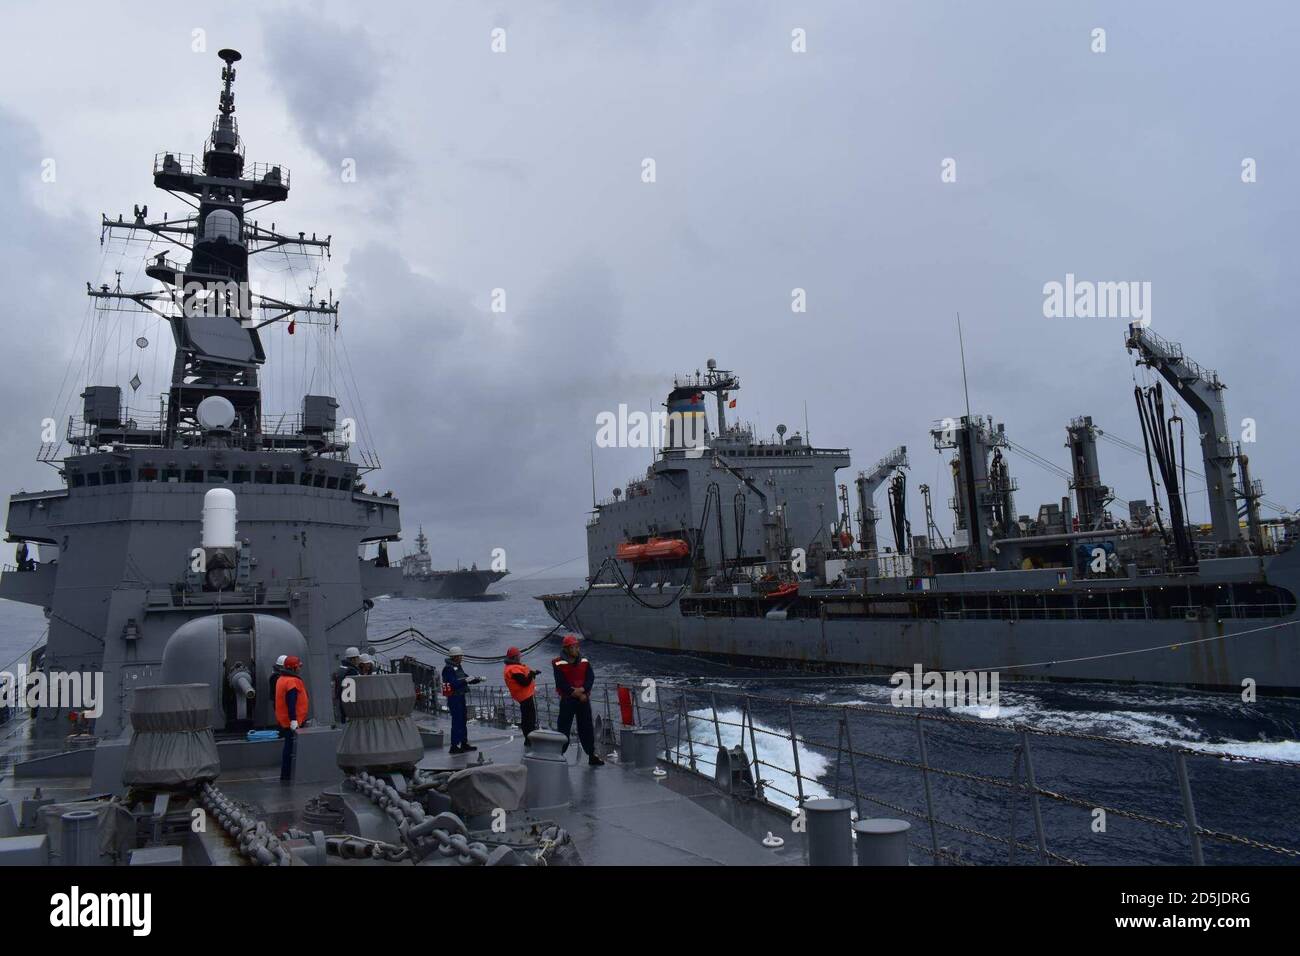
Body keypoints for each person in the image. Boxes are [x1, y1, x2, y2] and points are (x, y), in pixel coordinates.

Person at [553, 635, 604, 766]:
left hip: (583, 699)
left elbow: (590, 678)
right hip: (568, 700)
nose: (576, 649)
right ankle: (559, 755)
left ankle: (592, 755)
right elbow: (561, 683)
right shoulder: (558, 663)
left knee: (586, 728)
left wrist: (583, 690)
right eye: (573, 647)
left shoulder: (585, 662)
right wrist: (576, 692)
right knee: (564, 728)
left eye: (577, 646)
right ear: (567, 649)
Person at [274, 655, 309, 782]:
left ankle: (286, 774)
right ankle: (287, 775)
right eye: (298, 666)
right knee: (290, 747)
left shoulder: (281, 679)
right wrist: (294, 720)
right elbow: (291, 701)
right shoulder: (292, 682)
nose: (300, 669)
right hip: (292, 721)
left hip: (284, 720)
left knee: (288, 746)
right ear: (294, 668)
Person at [442, 647, 482, 754]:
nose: (461, 658)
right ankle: (454, 746)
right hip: (454, 698)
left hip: (460, 696)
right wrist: (465, 680)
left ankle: (464, 743)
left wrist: (476, 679)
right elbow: (453, 684)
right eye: (460, 656)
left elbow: (464, 677)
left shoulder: (457, 667)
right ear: (454, 657)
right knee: (457, 721)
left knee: (463, 720)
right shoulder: (448, 669)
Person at [502, 647, 541, 746]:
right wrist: (531, 675)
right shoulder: (513, 669)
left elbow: (524, 676)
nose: (520, 657)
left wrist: (532, 673)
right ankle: (529, 739)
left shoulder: (512, 667)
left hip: (523, 696)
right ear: (515, 657)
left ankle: (529, 738)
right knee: (529, 718)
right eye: (519, 655)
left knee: (528, 717)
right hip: (524, 696)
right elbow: (524, 682)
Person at [333, 646, 360, 724]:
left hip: (341, 702)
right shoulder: (352, 671)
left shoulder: (341, 669)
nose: (359, 660)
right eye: (357, 658)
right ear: (353, 659)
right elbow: (354, 690)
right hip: (350, 705)